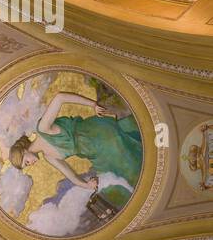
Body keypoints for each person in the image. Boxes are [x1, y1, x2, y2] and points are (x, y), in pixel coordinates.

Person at [8, 90, 142, 210]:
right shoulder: (49, 157)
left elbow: (60, 97)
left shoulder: (43, 129)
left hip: (98, 134)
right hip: (95, 155)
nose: (30, 165)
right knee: (118, 185)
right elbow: (71, 176)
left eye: (26, 162)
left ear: (24, 151)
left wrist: (93, 105)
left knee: (129, 161)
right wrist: (87, 185)